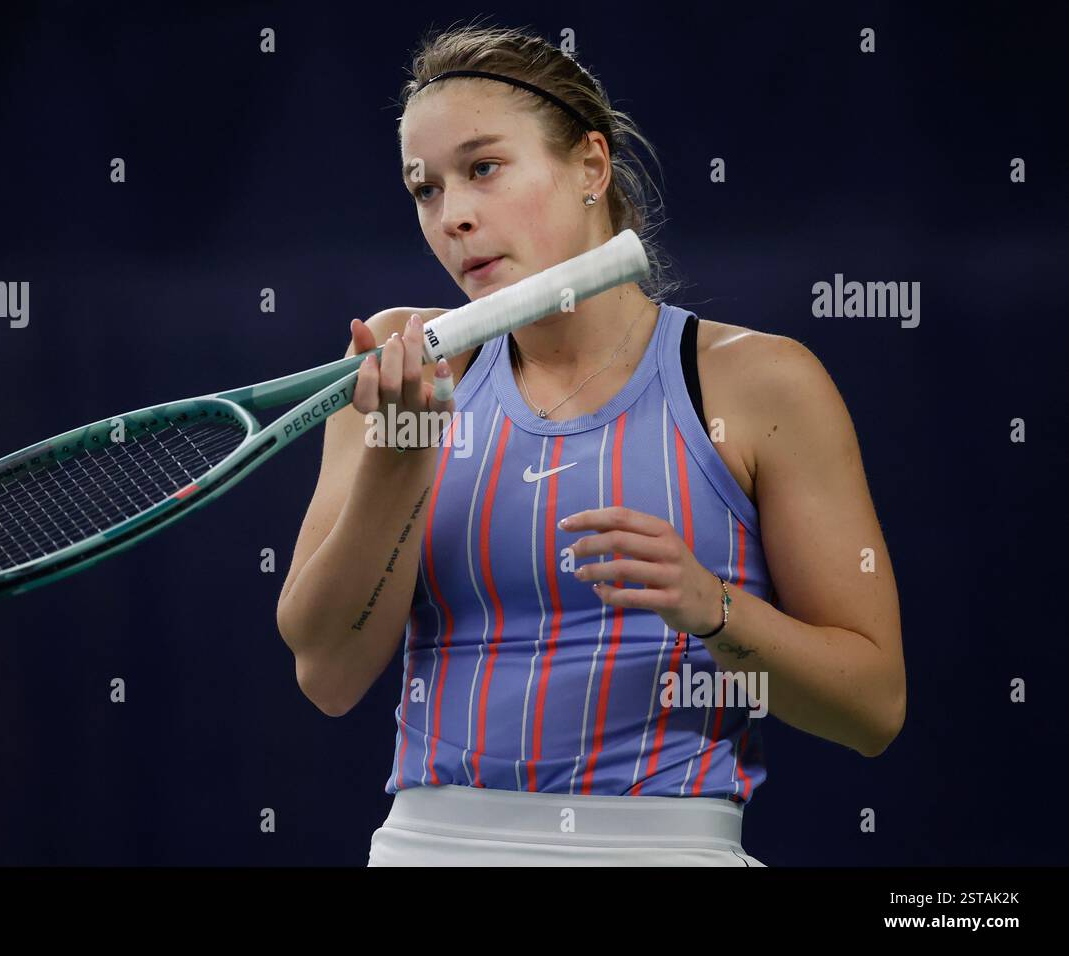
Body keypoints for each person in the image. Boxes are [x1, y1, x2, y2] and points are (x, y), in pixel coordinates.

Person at [276, 22, 905, 866]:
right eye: (425, 189)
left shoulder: (764, 383)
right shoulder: (402, 361)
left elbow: (871, 708)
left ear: (590, 169)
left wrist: (710, 607)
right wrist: (399, 459)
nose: (454, 214)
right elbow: (328, 674)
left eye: (484, 168)